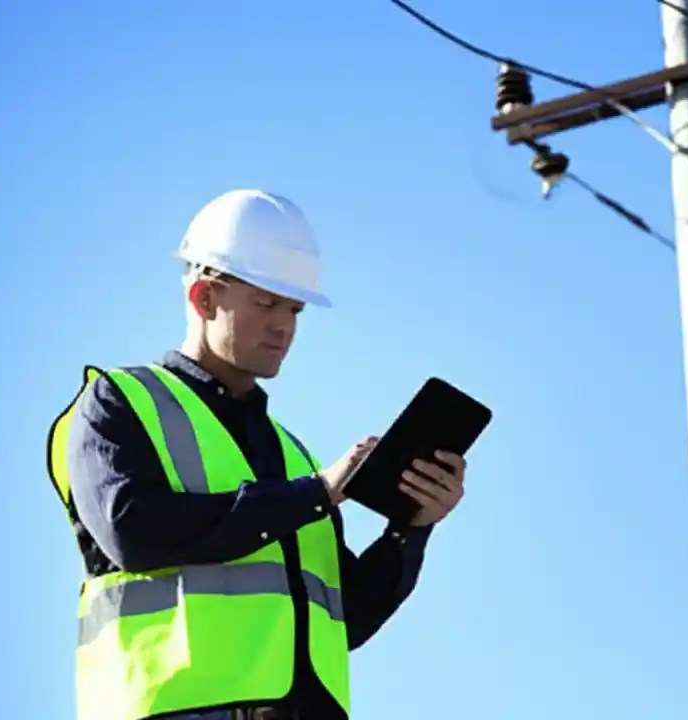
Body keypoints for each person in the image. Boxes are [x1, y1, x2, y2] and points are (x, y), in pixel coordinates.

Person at [46, 189, 468, 720]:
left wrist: (411, 528)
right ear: (203, 298)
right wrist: (314, 493)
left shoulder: (291, 455)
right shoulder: (120, 403)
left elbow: (349, 619)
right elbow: (133, 532)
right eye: (266, 303)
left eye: (293, 309)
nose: (284, 326)